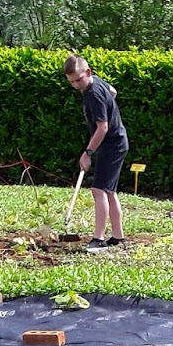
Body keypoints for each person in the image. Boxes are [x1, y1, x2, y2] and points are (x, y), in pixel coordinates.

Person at [62, 54, 129, 253]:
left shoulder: (93, 95)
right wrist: (110, 106)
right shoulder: (97, 83)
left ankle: (98, 239)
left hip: (111, 145)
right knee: (109, 191)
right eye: (72, 82)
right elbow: (113, 91)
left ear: (88, 72)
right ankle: (117, 236)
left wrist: (88, 153)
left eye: (78, 80)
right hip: (117, 142)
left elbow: (103, 128)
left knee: (98, 190)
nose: (76, 85)